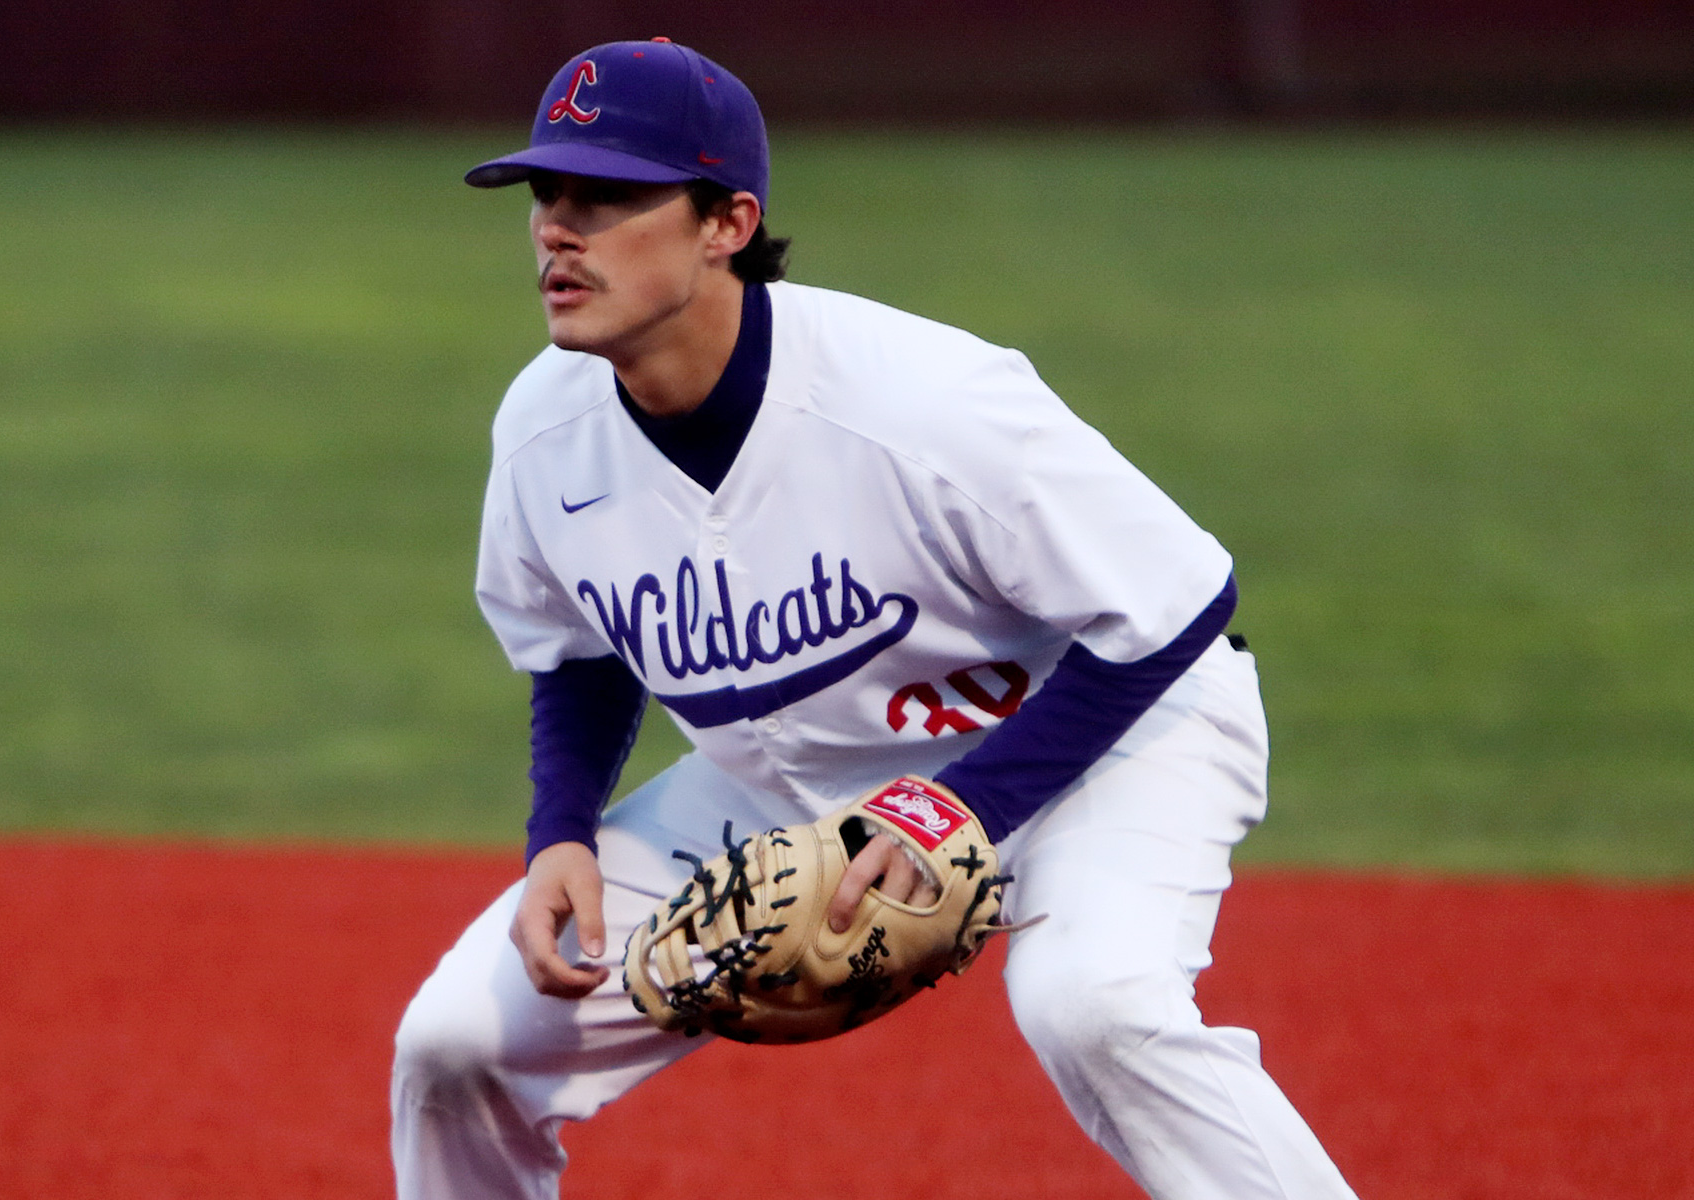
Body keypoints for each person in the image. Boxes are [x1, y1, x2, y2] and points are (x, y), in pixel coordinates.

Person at [391, 37, 1359, 1200]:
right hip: (791, 776)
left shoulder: (922, 402)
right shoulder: (546, 431)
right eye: (546, 194)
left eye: (607, 196)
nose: (558, 226)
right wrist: (561, 833)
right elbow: (581, 650)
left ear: (726, 224)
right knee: (453, 1045)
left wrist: (959, 808)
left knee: (1094, 1006)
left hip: (1095, 735)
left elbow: (1177, 606)